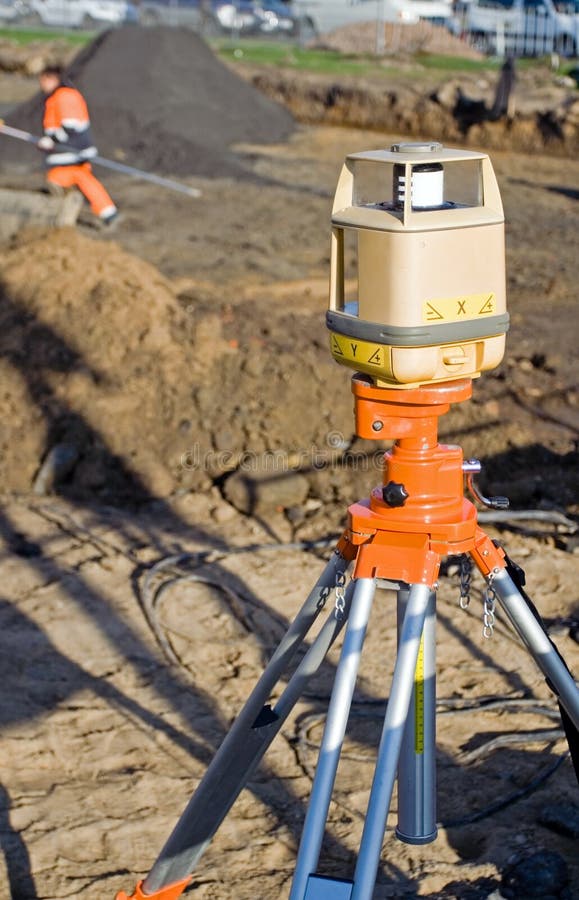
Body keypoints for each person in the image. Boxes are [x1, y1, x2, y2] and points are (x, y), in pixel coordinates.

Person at [37, 65, 118, 227]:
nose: (41, 86)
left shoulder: (64, 96)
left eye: (42, 81)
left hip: (73, 151)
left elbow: (71, 126)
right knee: (80, 181)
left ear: (51, 79)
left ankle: (63, 218)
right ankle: (108, 214)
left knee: (58, 180)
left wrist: (53, 140)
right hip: (70, 151)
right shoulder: (58, 97)